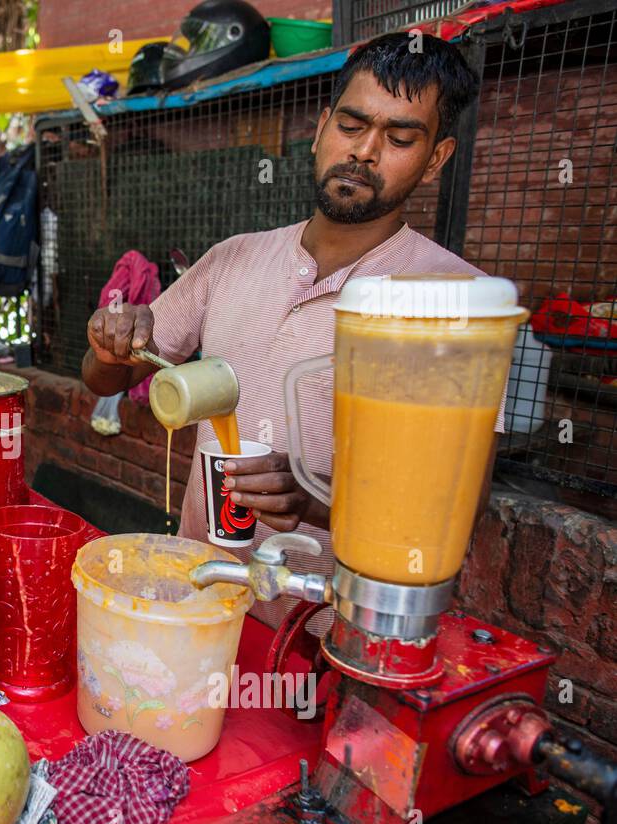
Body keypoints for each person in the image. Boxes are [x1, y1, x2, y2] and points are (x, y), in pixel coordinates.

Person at [82, 32, 489, 629]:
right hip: (203, 604)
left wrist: (314, 501)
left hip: (326, 630)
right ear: (322, 128)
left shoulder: (455, 301)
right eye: (351, 125)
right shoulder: (232, 259)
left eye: (400, 138)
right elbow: (102, 381)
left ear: (436, 159)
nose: (365, 152)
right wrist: (109, 342)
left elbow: (457, 509)